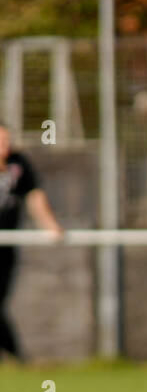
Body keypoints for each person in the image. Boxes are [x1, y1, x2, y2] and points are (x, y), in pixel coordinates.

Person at [0, 122, 64, 362]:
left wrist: (50, 224)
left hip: (5, 247)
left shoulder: (18, 163)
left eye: (7, 142)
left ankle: (16, 359)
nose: (5, 148)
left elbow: (34, 194)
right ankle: (18, 358)